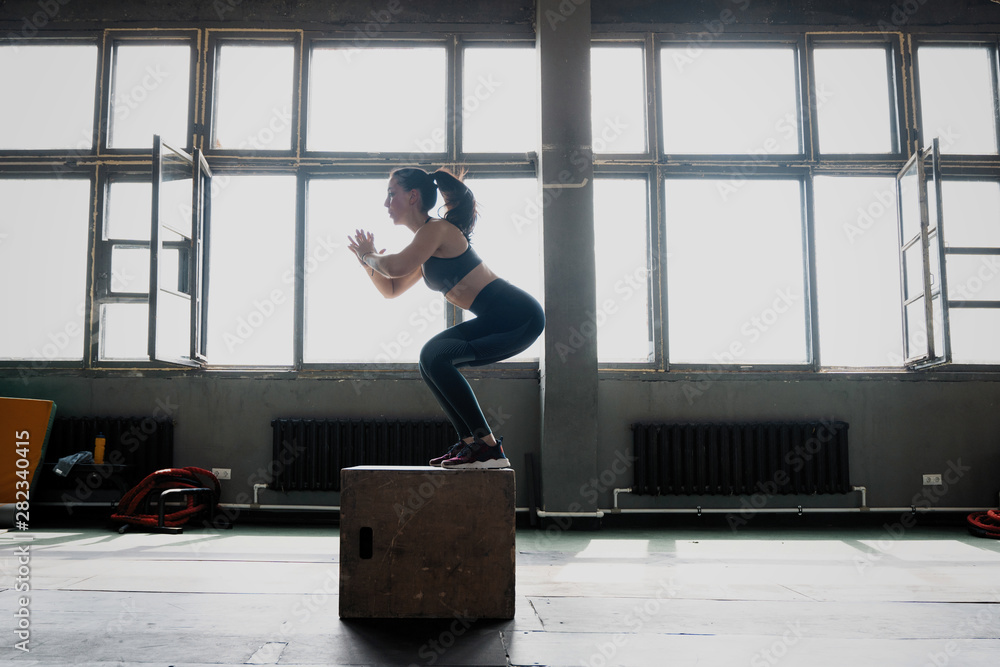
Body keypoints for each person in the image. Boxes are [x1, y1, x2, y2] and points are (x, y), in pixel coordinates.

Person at [347, 167, 545, 469]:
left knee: (434, 355)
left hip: (517, 316)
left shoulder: (436, 230)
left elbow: (395, 265)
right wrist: (366, 263)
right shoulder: (426, 245)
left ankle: (490, 450)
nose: (386, 203)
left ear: (413, 196)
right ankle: (472, 446)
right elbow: (391, 286)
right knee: (430, 361)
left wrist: (368, 255)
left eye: (391, 194)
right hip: (501, 319)